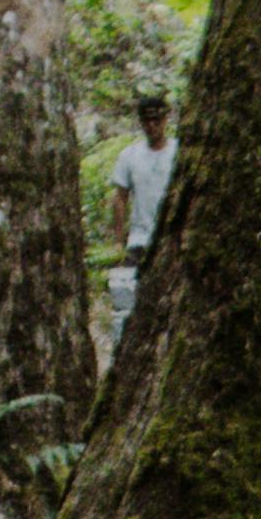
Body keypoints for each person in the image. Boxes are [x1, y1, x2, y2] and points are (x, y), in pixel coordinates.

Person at [106, 86, 177, 334]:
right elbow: (120, 198)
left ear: (165, 120)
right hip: (140, 239)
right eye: (146, 121)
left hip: (171, 239)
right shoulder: (130, 156)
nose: (152, 126)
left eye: (156, 120)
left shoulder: (178, 153)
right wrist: (118, 240)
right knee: (131, 301)